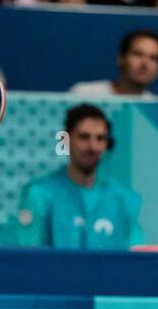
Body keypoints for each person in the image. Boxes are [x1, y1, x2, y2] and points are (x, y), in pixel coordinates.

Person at [15, 104, 143, 249]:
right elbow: (29, 258)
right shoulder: (40, 194)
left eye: (100, 138)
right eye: (84, 137)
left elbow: (136, 257)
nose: (93, 147)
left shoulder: (124, 199)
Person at [69, 29, 158, 98]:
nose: (145, 63)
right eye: (137, 54)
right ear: (121, 59)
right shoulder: (83, 94)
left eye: (153, 58)